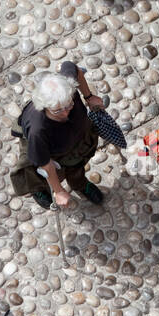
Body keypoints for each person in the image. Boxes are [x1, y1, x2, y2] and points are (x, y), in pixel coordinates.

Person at [11, 61, 107, 210]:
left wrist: (88, 96)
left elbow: (72, 68)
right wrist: (59, 191)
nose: (65, 113)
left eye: (69, 105)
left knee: (76, 164)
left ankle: (80, 184)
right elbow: (46, 164)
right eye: (57, 111)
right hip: (49, 150)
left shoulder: (66, 88)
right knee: (38, 175)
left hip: (75, 139)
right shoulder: (38, 130)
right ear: (44, 106)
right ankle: (40, 190)